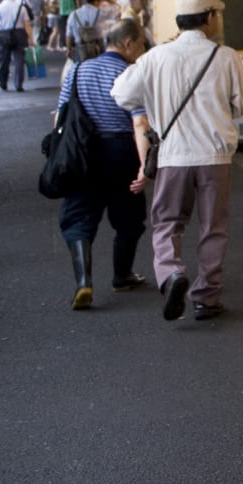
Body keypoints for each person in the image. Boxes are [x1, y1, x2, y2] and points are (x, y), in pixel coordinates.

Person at [110, 0, 243, 323]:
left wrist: (155, 101)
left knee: (166, 223)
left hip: (173, 155)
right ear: (208, 18)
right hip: (214, 156)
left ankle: (171, 273)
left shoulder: (156, 57)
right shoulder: (226, 56)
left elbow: (120, 94)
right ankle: (207, 297)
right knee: (213, 227)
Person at [55, 18, 152, 310]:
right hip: (121, 149)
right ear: (128, 43)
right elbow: (141, 123)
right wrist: (144, 166)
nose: (143, 50)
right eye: (141, 44)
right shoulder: (130, 73)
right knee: (129, 218)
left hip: (82, 153)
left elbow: (60, 117)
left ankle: (84, 282)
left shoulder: (77, 70)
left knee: (78, 217)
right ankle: (122, 275)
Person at [0, 0, 32, 92]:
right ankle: (18, 84)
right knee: (19, 60)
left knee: (5, 59)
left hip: (4, 35)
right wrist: (31, 38)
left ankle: (3, 82)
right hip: (19, 34)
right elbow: (27, 24)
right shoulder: (21, 8)